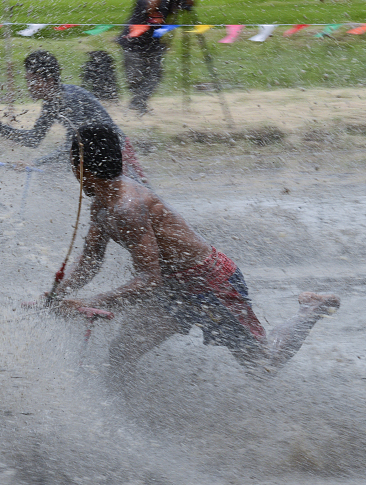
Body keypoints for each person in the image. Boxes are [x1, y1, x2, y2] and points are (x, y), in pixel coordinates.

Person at [49, 124, 339, 375]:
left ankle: (310, 309)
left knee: (263, 365)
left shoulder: (127, 207)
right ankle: (125, 417)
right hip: (171, 286)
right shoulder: (102, 202)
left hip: (208, 283)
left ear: (80, 166)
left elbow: (148, 280)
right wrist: (54, 296)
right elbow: (90, 260)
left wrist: (93, 301)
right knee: (122, 353)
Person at [0, 50, 147, 182]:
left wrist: (37, 162)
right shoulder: (51, 102)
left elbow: (73, 147)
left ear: (49, 81)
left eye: (32, 81)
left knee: (137, 198)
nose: (28, 86)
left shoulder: (70, 100)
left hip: (116, 150)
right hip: (95, 154)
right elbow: (34, 139)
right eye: (27, 80)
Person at [117, 0, 193, 115]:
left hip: (154, 40)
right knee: (135, 77)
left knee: (155, 76)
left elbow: (180, 7)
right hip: (133, 39)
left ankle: (138, 104)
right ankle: (137, 104)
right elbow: (149, 8)